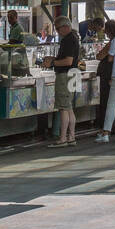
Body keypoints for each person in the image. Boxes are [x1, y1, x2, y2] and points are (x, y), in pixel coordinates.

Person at [45, 16, 79, 147]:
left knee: (63, 108)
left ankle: (63, 138)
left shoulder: (68, 40)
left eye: (58, 29)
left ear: (65, 27)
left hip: (65, 75)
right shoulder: (74, 38)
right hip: (74, 74)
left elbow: (68, 61)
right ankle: (71, 136)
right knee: (69, 107)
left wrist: (53, 62)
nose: (58, 31)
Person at [94, 19, 115, 139]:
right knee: (113, 102)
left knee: (106, 102)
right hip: (114, 75)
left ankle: (107, 128)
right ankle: (113, 126)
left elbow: (100, 56)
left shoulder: (112, 43)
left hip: (108, 75)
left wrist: (100, 52)